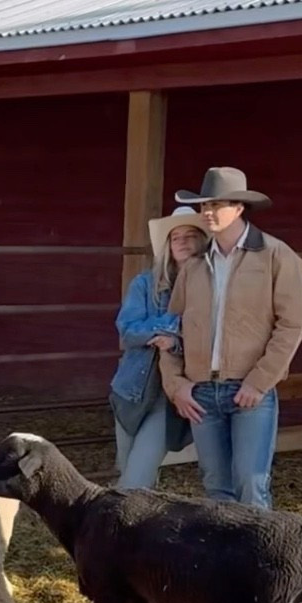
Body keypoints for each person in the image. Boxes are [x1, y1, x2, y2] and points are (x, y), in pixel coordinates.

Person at [159, 166, 302, 509]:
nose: (208, 213)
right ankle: (226, 563)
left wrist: (259, 382)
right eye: (204, 206)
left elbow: (293, 324)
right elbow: (170, 328)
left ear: (239, 208)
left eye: (217, 205)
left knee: (251, 485)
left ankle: (261, 562)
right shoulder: (195, 265)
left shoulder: (277, 256)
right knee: (216, 491)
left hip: (248, 391)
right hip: (200, 393)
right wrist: (176, 384)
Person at [110, 207, 211, 489]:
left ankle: (112, 528)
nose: (182, 241)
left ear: (202, 241)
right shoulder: (145, 283)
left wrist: (174, 340)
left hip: (170, 396)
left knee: (133, 482)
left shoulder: (212, 288)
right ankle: (135, 531)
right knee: (130, 472)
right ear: (167, 245)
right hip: (130, 391)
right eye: (175, 236)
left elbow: (211, 336)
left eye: (190, 235)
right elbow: (128, 330)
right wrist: (173, 325)